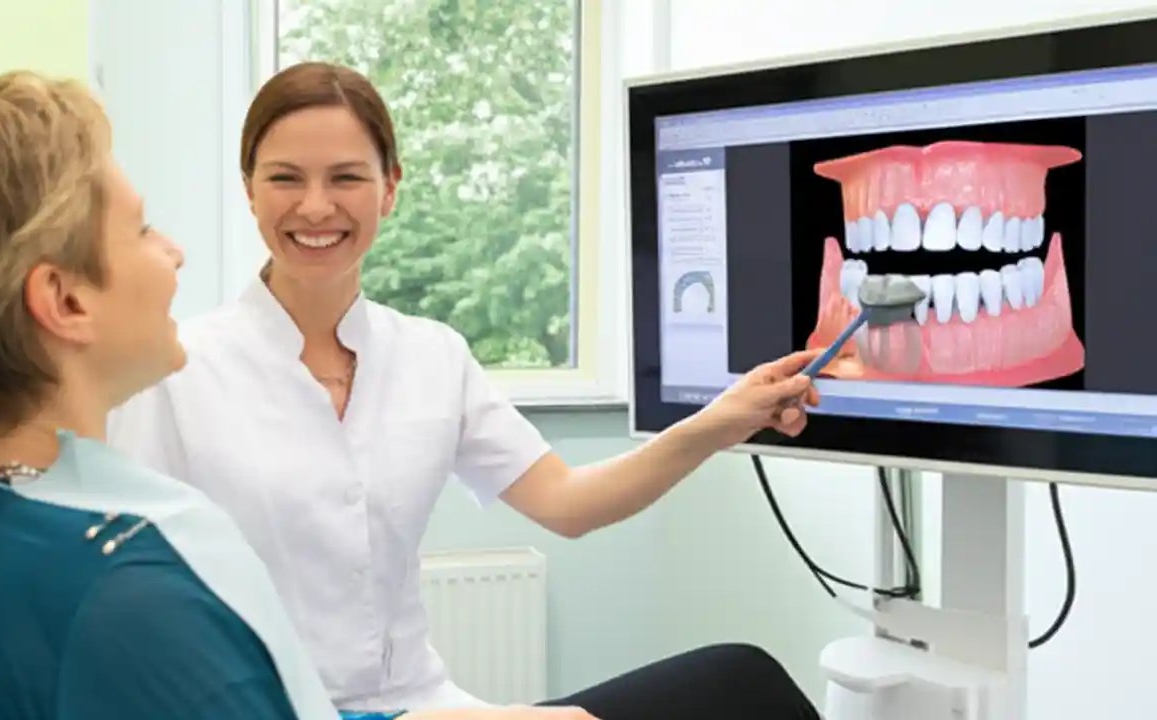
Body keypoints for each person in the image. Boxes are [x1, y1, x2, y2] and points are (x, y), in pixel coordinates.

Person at [107, 61, 823, 719]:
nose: (316, 206)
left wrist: (719, 423)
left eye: (347, 178)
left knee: (744, 684)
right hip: (275, 709)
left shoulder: (431, 357)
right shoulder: (178, 368)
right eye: (286, 178)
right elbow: (133, 596)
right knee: (739, 683)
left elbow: (568, 505)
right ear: (250, 189)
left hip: (426, 705)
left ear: (390, 187)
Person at [0, 70, 599, 720]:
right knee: (714, 679)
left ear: (390, 186)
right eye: (142, 228)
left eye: (346, 177)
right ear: (64, 301)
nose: (175, 252)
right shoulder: (130, 593)